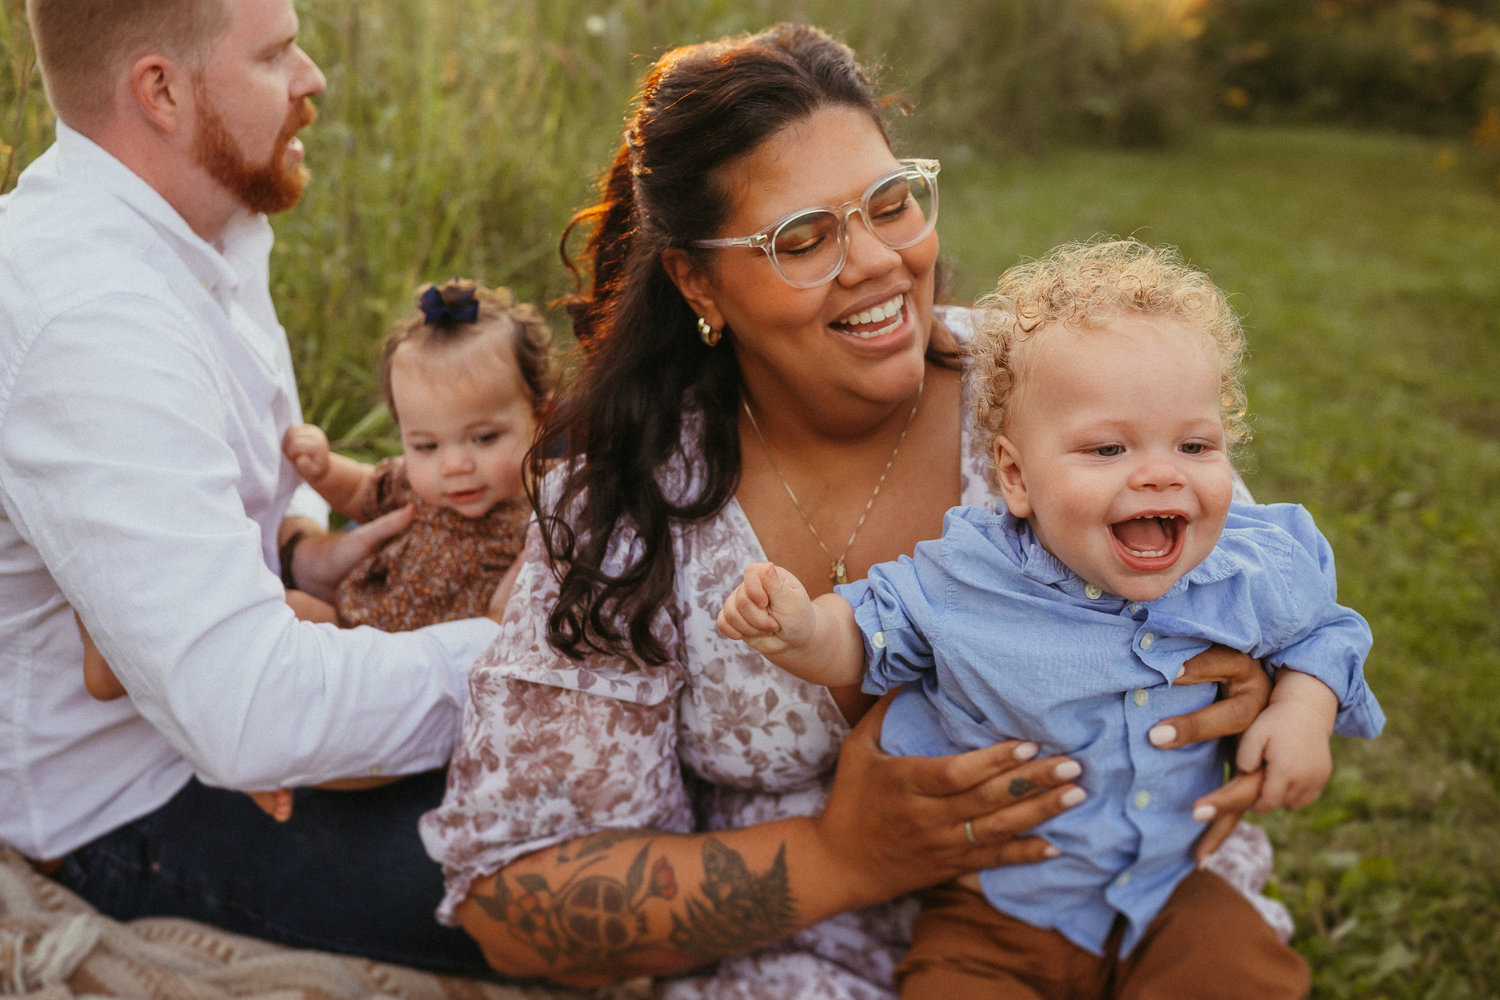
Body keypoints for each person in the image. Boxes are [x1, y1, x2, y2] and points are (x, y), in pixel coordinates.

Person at [420, 24, 1285, 997]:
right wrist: (843, 857)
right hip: (809, 967)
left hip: (1137, 918)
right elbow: (511, 903)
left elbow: (1259, 578)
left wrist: (1273, 681)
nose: (876, 260)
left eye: (890, 203)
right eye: (803, 238)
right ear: (699, 280)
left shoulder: (1055, 390)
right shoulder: (625, 510)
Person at [717, 237, 1386, 997]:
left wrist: (1304, 702)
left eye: (1196, 444)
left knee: (1240, 975)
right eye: (1107, 449)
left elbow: (1327, 630)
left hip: (1172, 890)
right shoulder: (969, 576)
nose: (1160, 471)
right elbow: (865, 634)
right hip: (995, 912)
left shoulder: (1247, 566)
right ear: (1015, 476)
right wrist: (802, 630)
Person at [0, 0, 498, 976]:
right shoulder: (88, 318)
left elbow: (261, 462)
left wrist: (301, 543)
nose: (314, 78)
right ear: (161, 91)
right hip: (126, 801)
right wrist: (533, 656)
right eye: (275, 57)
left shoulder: (201, 214)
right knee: (572, 867)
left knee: (630, 777)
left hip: (231, 701)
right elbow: (247, 718)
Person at [284, 278, 558, 633]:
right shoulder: (412, 490)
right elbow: (360, 491)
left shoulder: (550, 508)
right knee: (292, 608)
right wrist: (323, 470)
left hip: (461, 663)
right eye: (427, 446)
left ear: (541, 418)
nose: (455, 466)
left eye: (485, 438)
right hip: (357, 631)